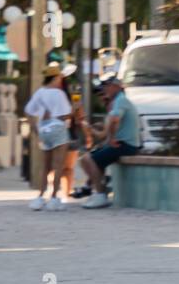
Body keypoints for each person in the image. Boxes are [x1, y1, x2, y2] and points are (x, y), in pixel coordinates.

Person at [78, 76, 141, 208]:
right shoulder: (119, 100)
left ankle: (101, 195)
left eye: (107, 86)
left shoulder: (120, 100)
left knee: (90, 160)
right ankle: (100, 190)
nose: (105, 90)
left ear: (116, 87)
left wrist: (111, 138)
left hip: (126, 145)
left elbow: (114, 120)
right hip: (122, 143)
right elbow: (110, 125)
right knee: (86, 159)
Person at [24, 62, 73, 211]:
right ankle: (53, 198)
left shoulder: (40, 92)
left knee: (45, 166)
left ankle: (40, 197)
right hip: (58, 129)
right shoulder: (59, 94)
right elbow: (64, 116)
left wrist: (35, 130)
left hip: (43, 131)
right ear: (56, 78)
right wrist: (75, 110)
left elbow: (28, 111)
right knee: (58, 165)